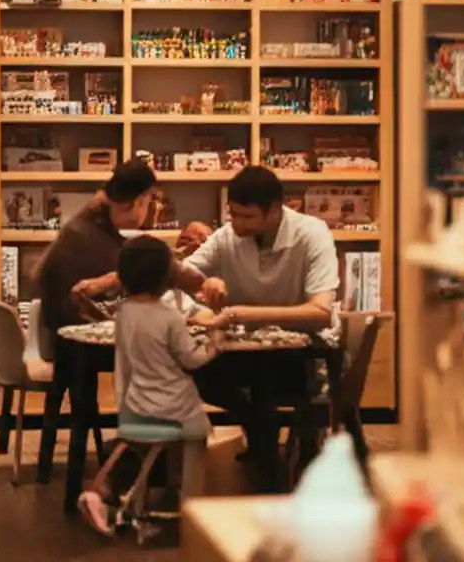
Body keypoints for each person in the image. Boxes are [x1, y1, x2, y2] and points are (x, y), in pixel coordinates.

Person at [172, 165, 340, 489]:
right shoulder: (228, 236)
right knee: (191, 367)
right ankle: (260, 440)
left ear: (275, 209)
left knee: (263, 377)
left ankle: (269, 472)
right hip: (243, 351)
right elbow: (178, 274)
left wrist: (244, 314)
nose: (237, 223)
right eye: (233, 214)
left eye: (247, 216)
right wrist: (204, 282)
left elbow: (320, 312)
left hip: (301, 355)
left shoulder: (311, 233)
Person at [77, 235, 221, 536]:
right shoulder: (170, 317)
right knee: (199, 433)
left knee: (141, 444)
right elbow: (192, 359)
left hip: (135, 403)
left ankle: (133, 510)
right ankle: (191, 512)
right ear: (166, 277)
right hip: (174, 405)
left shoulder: (124, 312)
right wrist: (214, 343)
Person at [34, 158, 159, 481]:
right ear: (140, 200)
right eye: (150, 201)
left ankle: (139, 452)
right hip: (81, 346)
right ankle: (149, 457)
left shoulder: (84, 228)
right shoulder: (93, 238)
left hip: (62, 342)